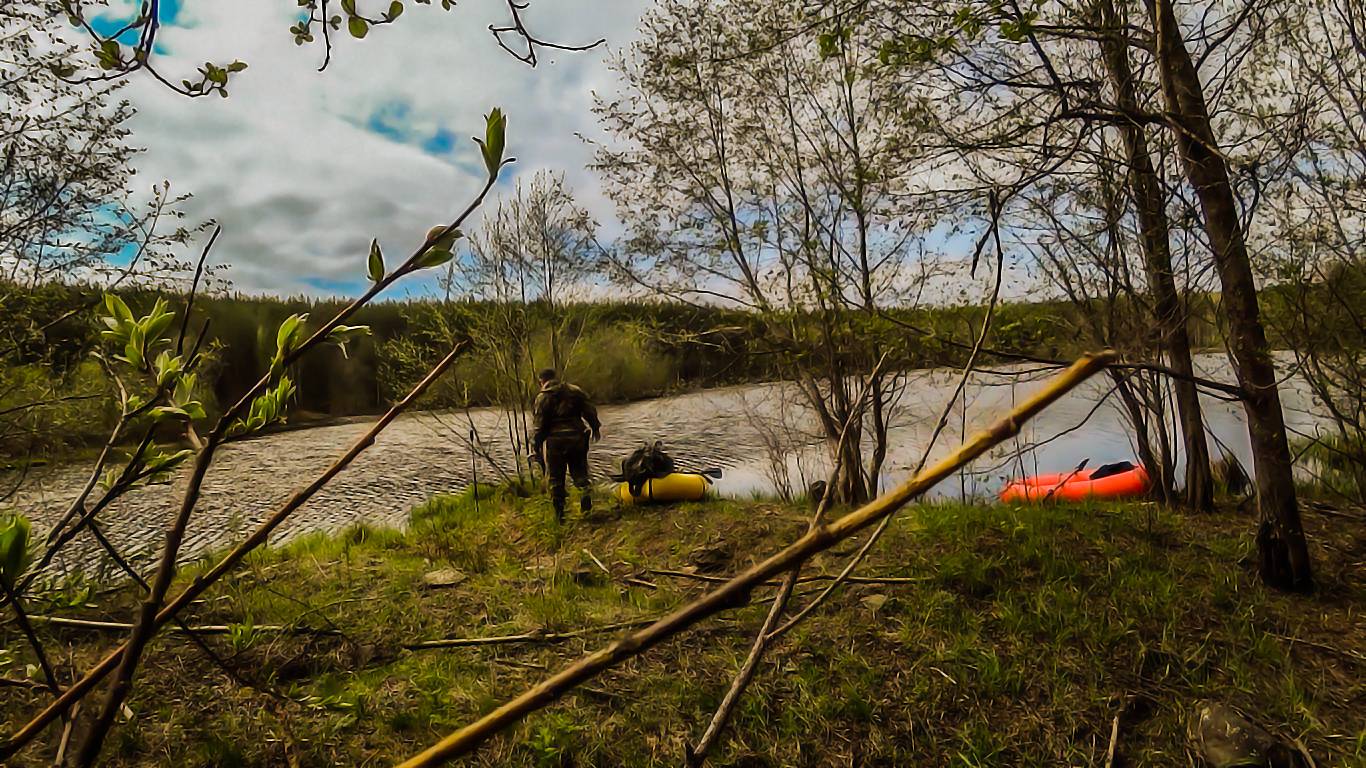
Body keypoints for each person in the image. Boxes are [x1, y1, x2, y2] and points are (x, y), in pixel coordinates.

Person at [532, 368, 601, 523]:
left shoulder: (543, 397)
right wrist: (595, 427)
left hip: (555, 442)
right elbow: (590, 410)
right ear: (555, 377)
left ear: (541, 381)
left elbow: (539, 426)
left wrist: (536, 445)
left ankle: (560, 516)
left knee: (556, 479)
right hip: (577, 438)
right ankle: (587, 509)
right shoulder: (574, 391)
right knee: (580, 474)